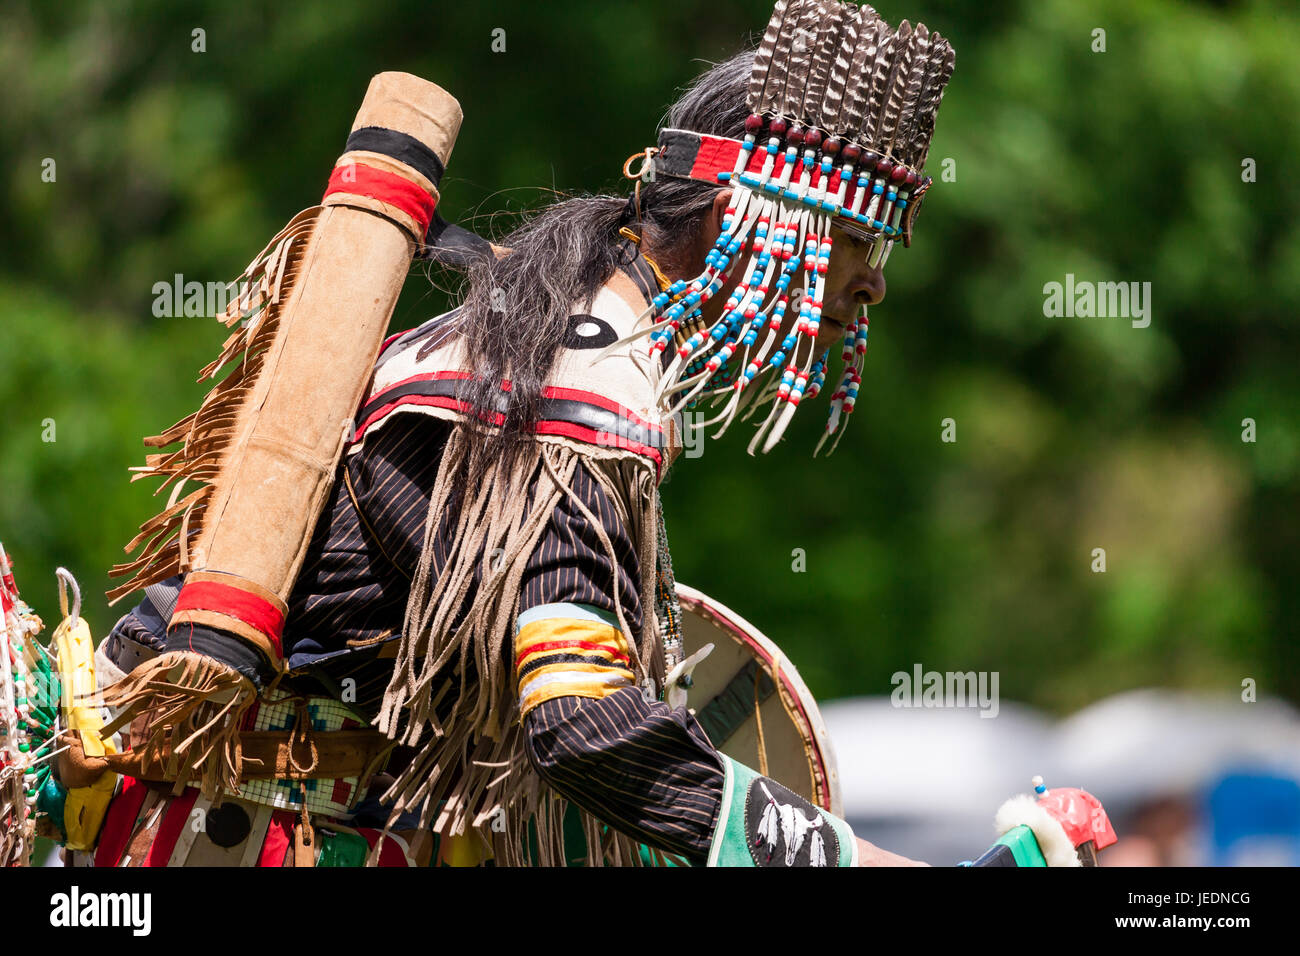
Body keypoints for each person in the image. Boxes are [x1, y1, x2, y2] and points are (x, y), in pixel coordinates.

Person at [91, 0, 956, 867]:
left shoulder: (559, 332)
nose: (872, 283)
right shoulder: (579, 392)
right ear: (743, 215)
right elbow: (582, 726)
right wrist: (858, 861)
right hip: (224, 825)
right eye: (852, 240)